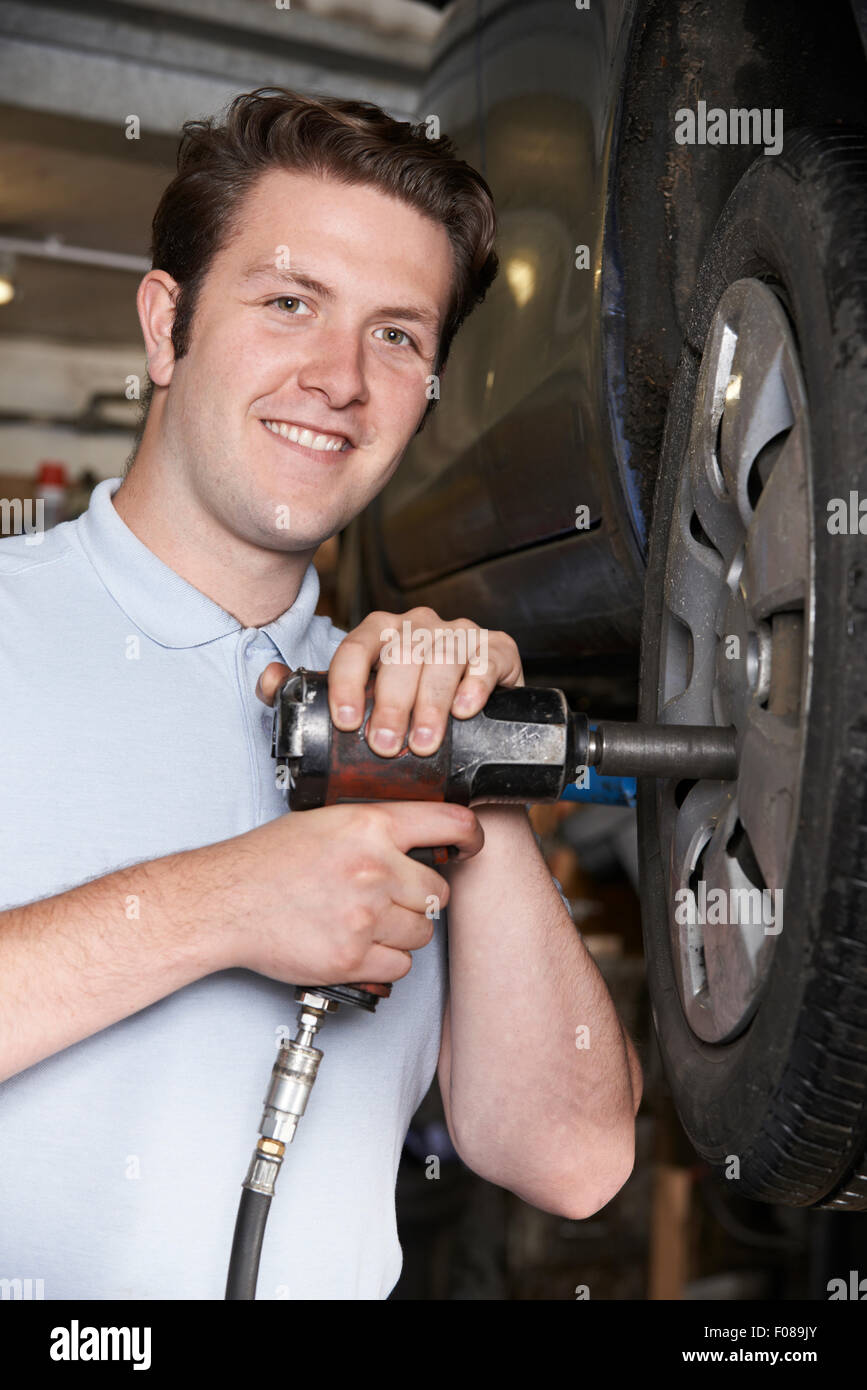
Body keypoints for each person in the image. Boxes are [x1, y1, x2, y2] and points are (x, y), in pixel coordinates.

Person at [0, 88, 641, 1300]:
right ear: (166, 325)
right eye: (290, 303)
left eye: (398, 335)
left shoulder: (391, 702)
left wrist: (470, 774)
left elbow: (577, 1159)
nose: (341, 377)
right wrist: (225, 903)